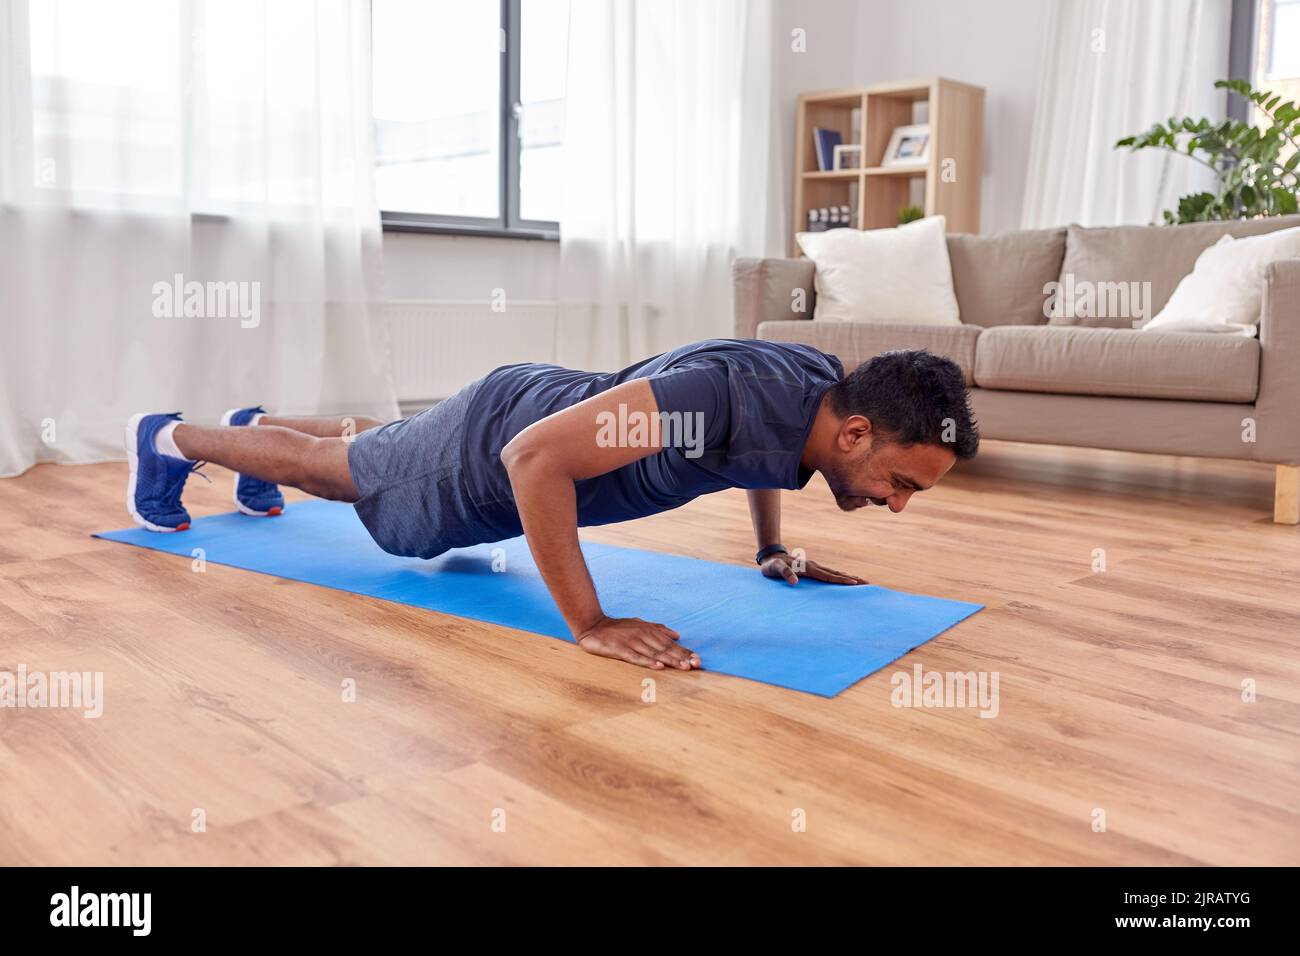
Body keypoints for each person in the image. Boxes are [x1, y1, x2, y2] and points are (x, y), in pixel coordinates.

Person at [125, 340, 979, 671]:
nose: (897, 506)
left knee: (376, 445)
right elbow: (534, 460)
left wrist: (768, 550)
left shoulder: (819, 391)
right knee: (346, 470)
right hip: (501, 445)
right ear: (860, 433)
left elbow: (761, 454)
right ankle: (169, 439)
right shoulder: (713, 401)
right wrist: (590, 622)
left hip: (533, 404)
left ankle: (252, 431)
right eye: (902, 483)